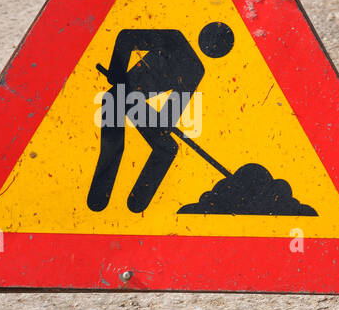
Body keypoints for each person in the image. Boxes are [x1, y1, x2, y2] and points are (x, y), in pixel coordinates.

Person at [87, 22, 234, 213]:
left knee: (166, 147)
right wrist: (117, 69)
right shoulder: (173, 39)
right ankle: (99, 196)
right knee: (113, 110)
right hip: (123, 92)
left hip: (132, 95)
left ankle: (137, 202)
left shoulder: (194, 69)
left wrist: (163, 122)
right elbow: (126, 37)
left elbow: (170, 112)